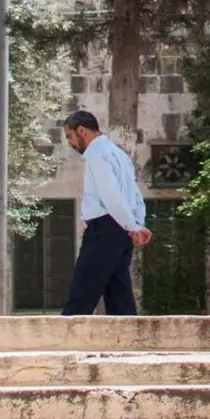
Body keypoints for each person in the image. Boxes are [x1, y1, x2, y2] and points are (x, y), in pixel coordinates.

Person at [60, 110, 151, 316]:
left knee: (83, 288)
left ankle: (66, 341)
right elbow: (134, 195)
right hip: (122, 231)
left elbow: (111, 195)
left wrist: (133, 226)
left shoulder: (95, 154)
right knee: (119, 292)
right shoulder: (118, 153)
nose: (70, 143)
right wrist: (136, 225)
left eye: (69, 136)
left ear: (81, 131)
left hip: (105, 228)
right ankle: (129, 342)